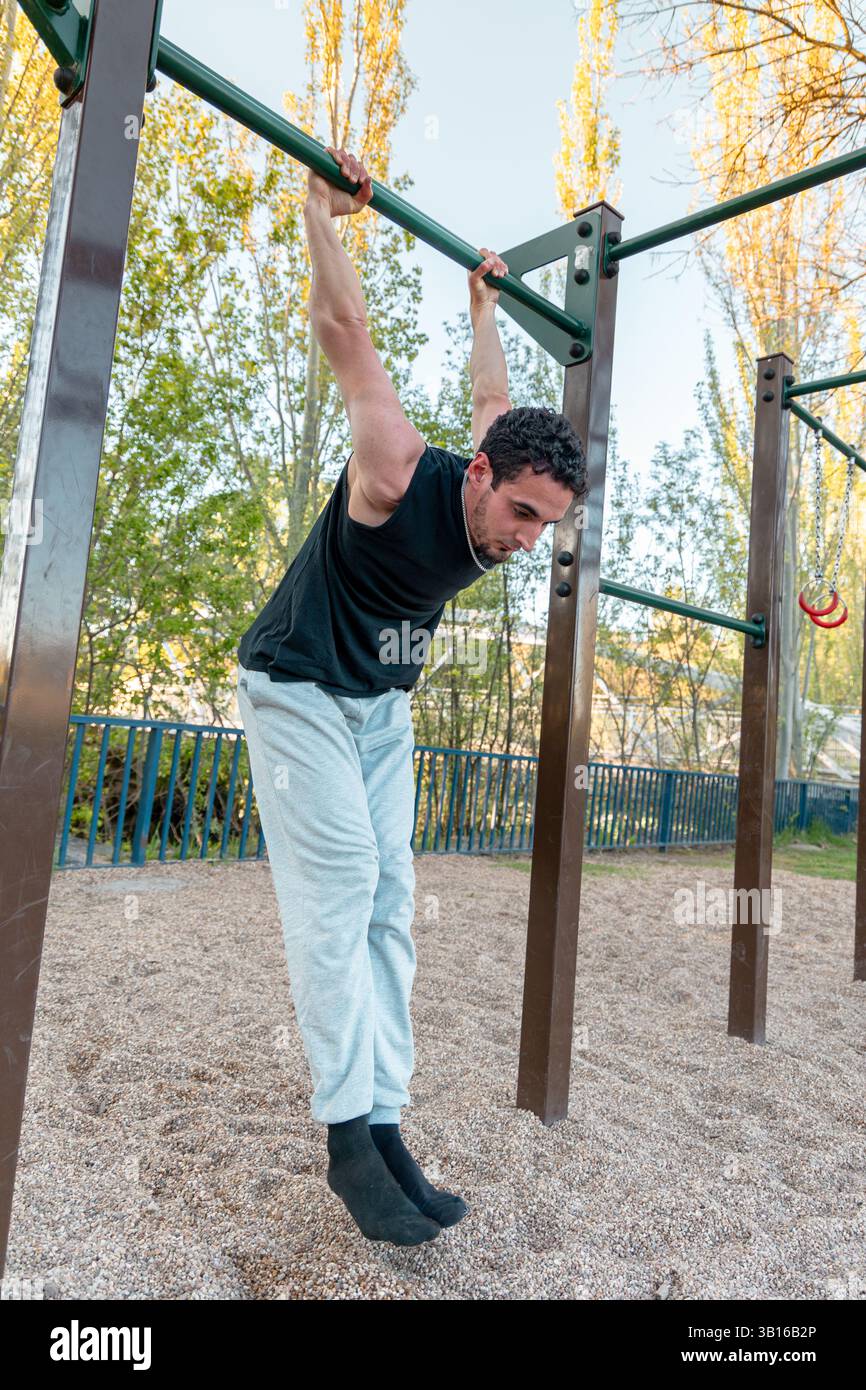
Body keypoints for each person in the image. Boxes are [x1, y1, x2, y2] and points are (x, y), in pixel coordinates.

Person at [236, 146, 587, 1246]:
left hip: (380, 705)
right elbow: (344, 332)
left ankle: (384, 1123)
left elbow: (493, 395)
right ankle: (346, 1135)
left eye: (547, 526)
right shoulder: (393, 465)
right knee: (344, 882)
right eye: (524, 514)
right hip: (295, 684)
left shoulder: (497, 460)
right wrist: (318, 208)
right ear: (480, 476)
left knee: (392, 897)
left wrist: (482, 304)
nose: (528, 540)